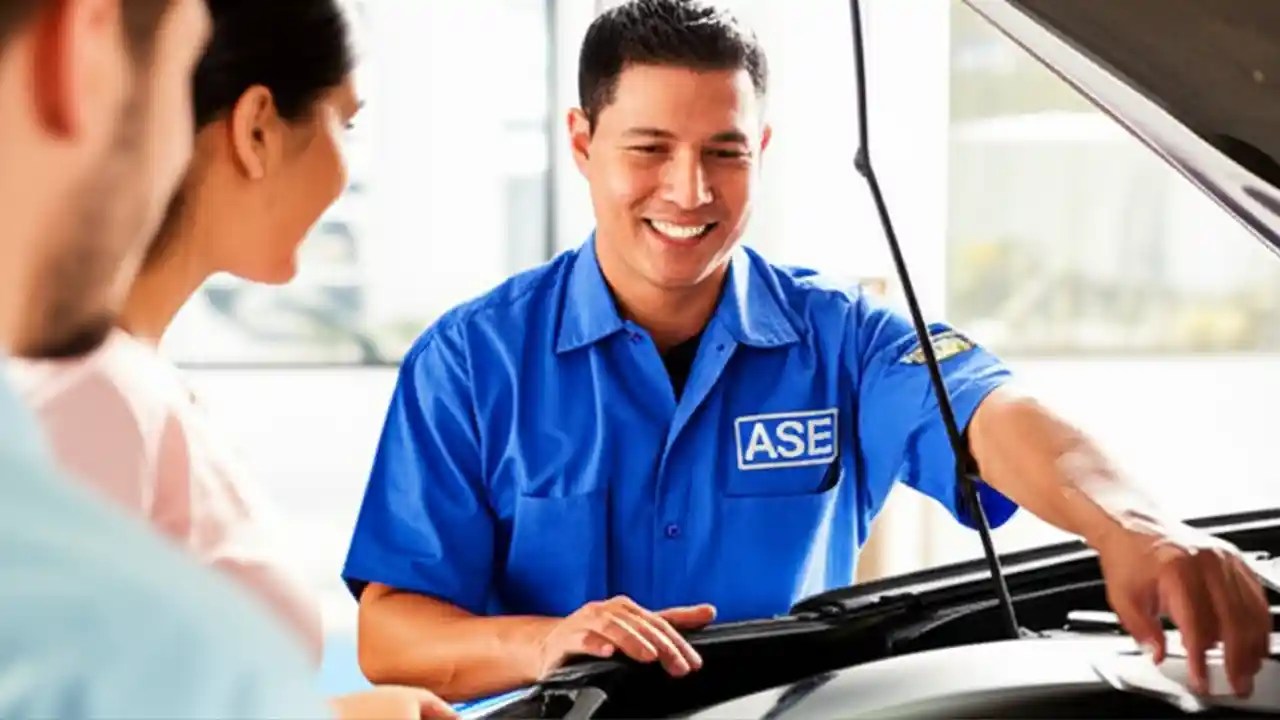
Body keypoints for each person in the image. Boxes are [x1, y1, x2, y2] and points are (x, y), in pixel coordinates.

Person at [342, 0, 1273, 704]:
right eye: (650, 148)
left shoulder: (842, 339)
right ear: (582, 143)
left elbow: (996, 414)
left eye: (725, 152)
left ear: (765, 147)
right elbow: (391, 634)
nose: (690, 189)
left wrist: (1135, 525)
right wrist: (544, 643)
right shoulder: (471, 362)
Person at [6, 1, 456, 718]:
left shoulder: (137, 378)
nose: (345, 169)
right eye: (345, 122)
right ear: (255, 130)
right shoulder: (92, 393)